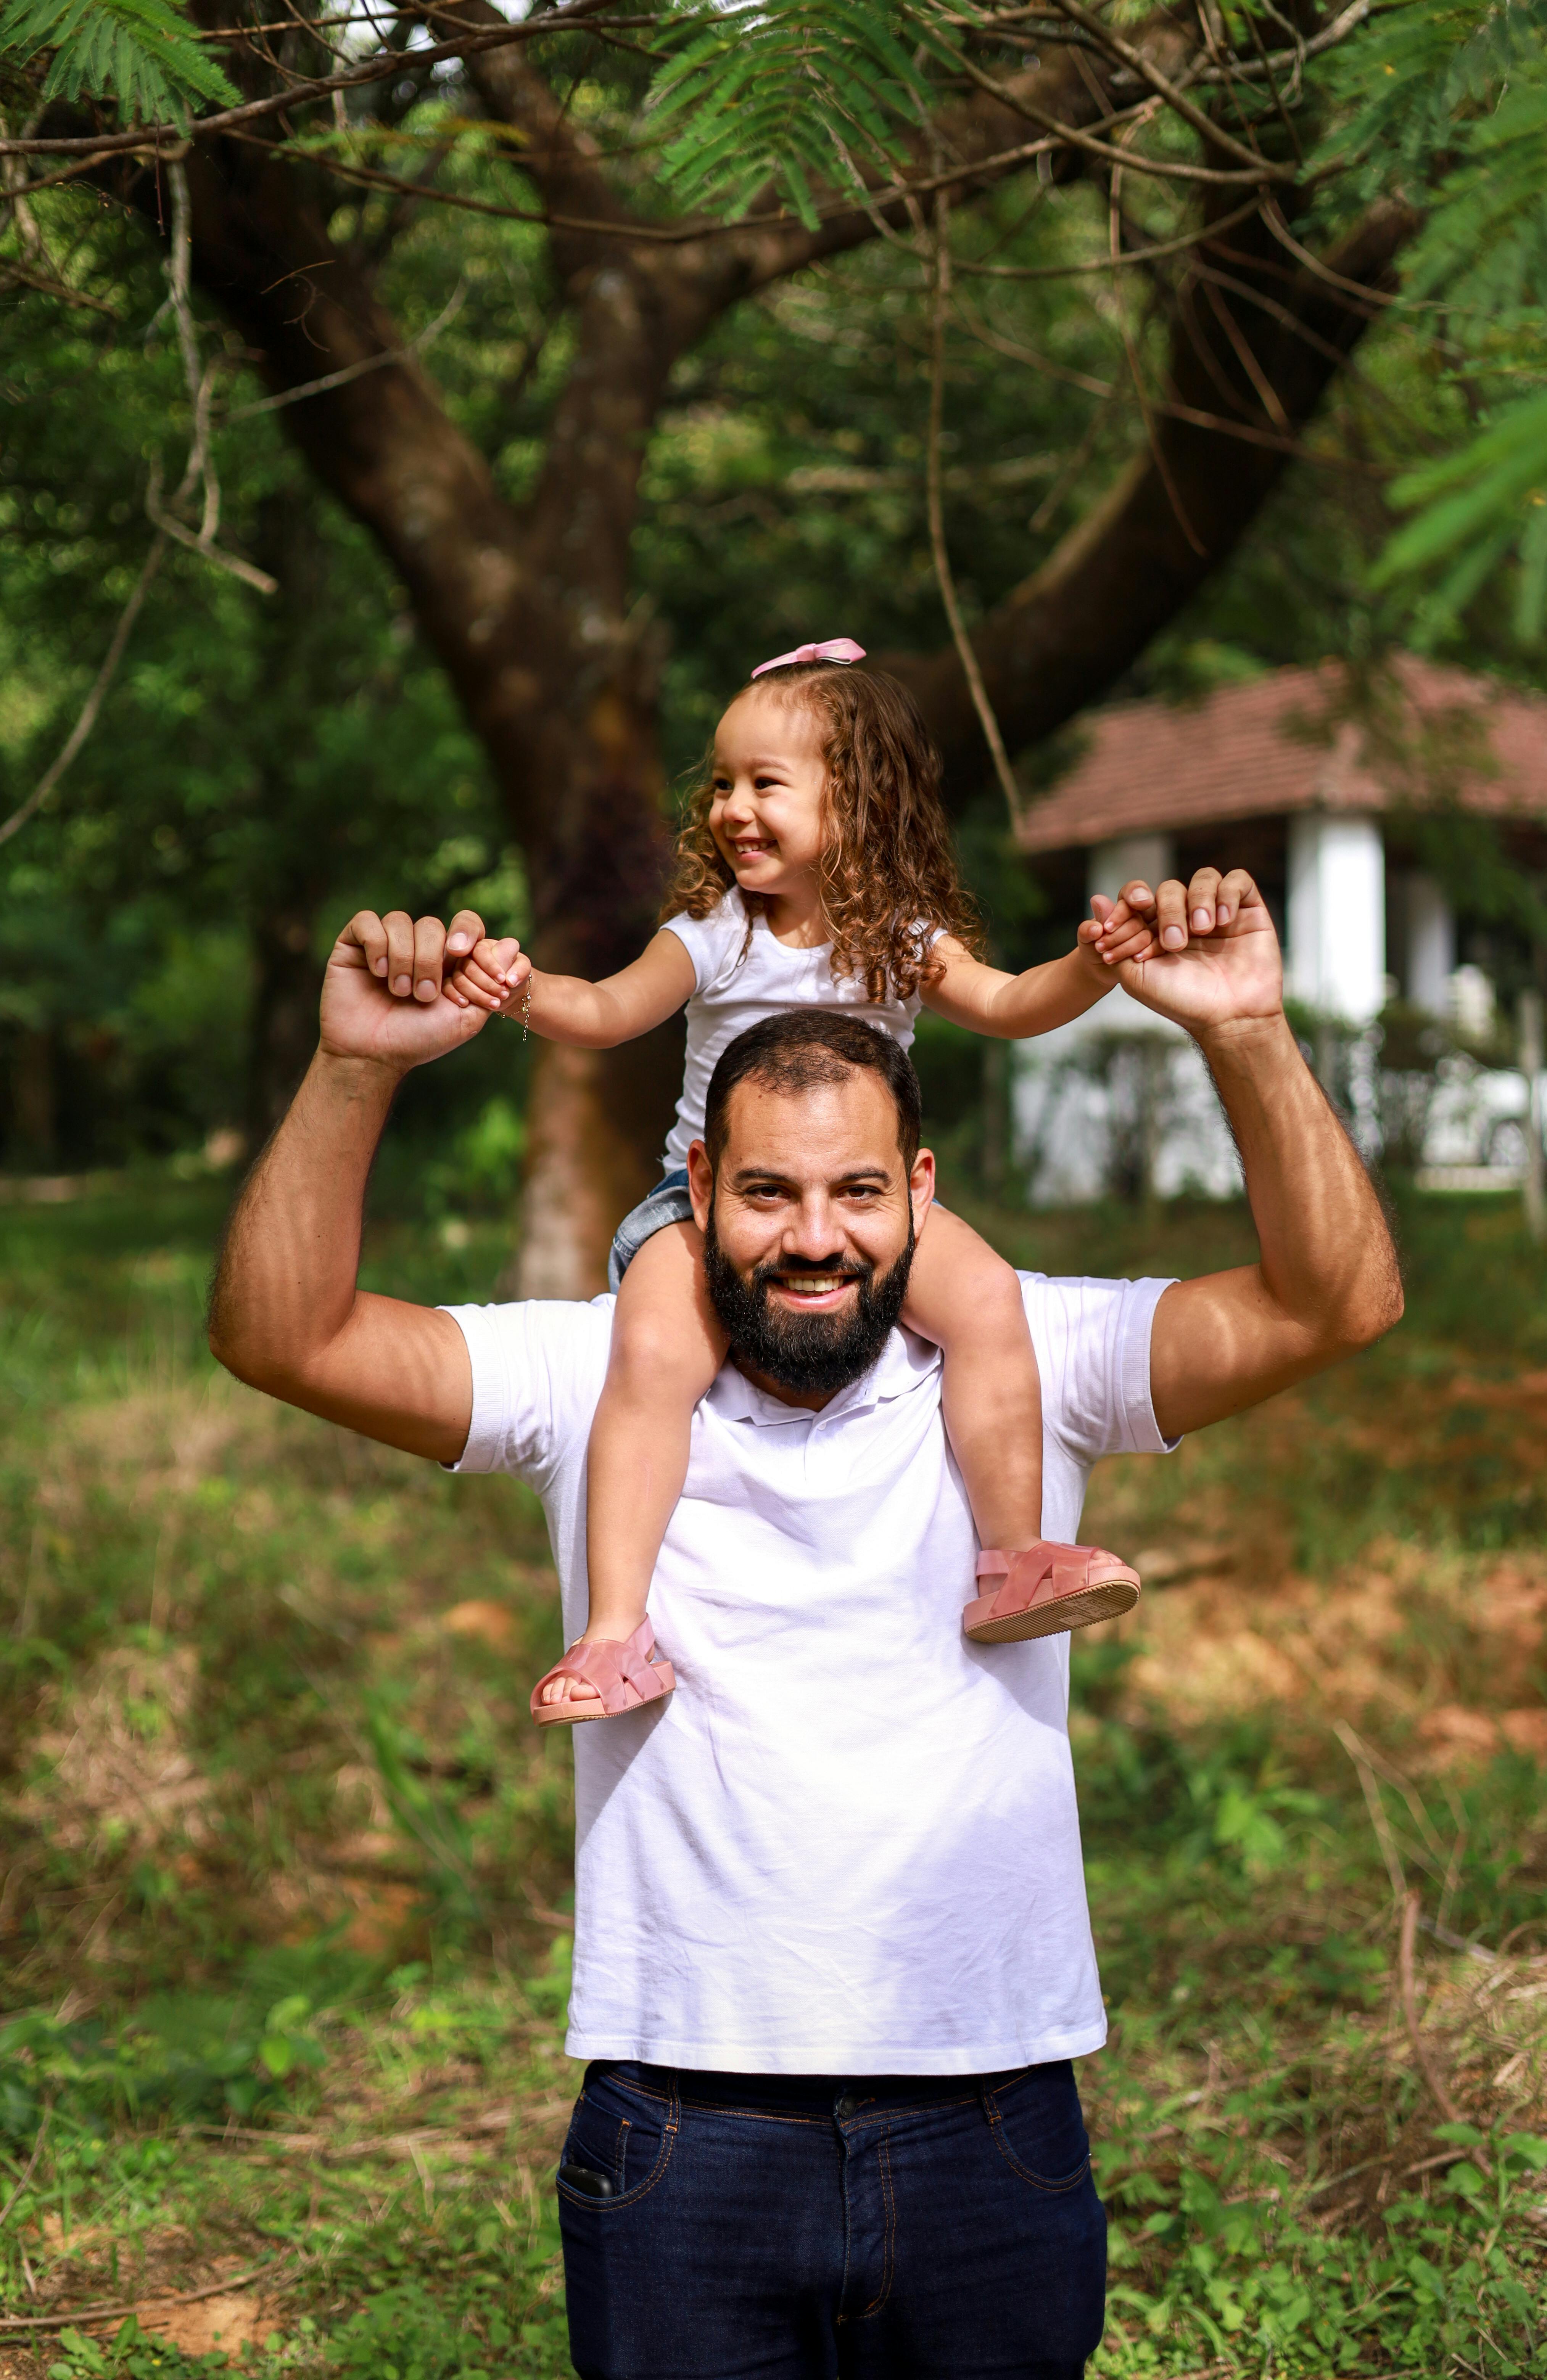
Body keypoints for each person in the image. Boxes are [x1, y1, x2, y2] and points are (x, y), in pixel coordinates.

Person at [208, 862, 1402, 2379]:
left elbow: (1335, 1303)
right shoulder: (599, 1374)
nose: (813, 1239)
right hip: (680, 2128)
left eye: (854, 1192)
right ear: (695, 1190)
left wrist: (1241, 1033)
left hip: (991, 2110)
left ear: (920, 1194)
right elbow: (279, 1334)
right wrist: (353, 1067)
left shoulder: (1026, 1360)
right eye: (766, 1193)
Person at [436, 645, 1157, 1720]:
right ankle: (614, 1635)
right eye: (721, 784)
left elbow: (1009, 1005)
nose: (732, 808)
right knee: (651, 1355)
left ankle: (1015, 1560)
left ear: (854, 800)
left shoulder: (896, 941)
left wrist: (1094, 968)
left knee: (990, 1303)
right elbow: (609, 1012)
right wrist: (523, 988)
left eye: (765, 784)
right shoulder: (716, 937)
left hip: (872, 1210)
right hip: (709, 1215)